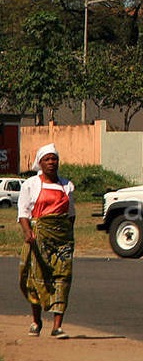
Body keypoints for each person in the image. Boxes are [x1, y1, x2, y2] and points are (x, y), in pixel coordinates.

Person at [17, 144, 75, 339]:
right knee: (36, 278)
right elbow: (23, 213)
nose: (52, 162)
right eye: (47, 159)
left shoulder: (67, 185)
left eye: (54, 159)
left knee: (63, 278)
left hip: (62, 240)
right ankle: (36, 320)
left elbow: (71, 215)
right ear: (40, 163)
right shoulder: (30, 185)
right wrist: (28, 232)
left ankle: (57, 326)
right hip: (37, 237)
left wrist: (67, 236)